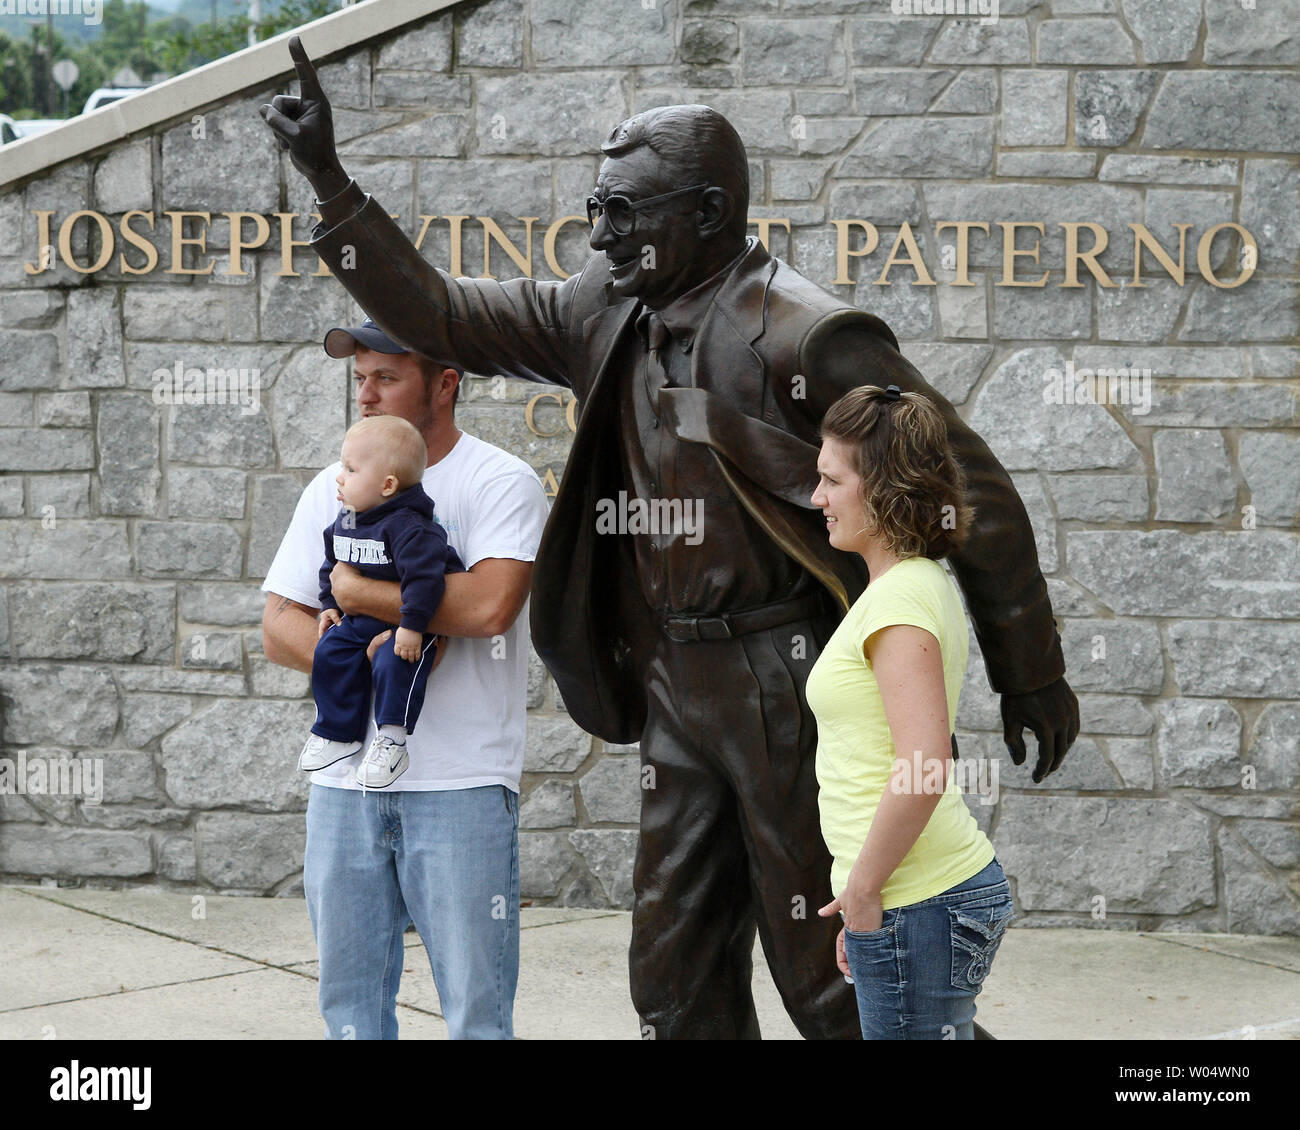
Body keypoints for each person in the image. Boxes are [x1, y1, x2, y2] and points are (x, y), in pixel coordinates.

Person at [261, 38, 1078, 1040]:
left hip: (786, 676)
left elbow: (974, 495)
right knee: (674, 979)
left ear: (704, 215)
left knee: (831, 973)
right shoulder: (602, 308)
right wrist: (330, 182)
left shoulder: (804, 335)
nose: (596, 236)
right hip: (674, 684)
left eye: (621, 214)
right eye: (595, 209)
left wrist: (1029, 672)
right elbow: (438, 311)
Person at [260, 316, 548, 1039]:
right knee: (351, 1010)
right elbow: (278, 627)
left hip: (460, 786)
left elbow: (488, 606)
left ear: (445, 384)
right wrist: (366, 652)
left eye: (386, 377)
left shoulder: (498, 479)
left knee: (476, 1014)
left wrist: (359, 600)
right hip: (343, 787)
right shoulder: (337, 484)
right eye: (360, 378)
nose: (365, 395)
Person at [810, 384, 1013, 1039]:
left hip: (919, 900)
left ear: (883, 490)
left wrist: (866, 892)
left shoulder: (901, 601)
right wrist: (861, 897)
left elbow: (924, 764)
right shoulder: (908, 586)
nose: (817, 498)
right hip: (913, 898)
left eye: (831, 480)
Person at [302, 413, 465, 789]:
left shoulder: (412, 528)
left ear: (388, 484)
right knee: (330, 651)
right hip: (362, 619)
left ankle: (393, 739)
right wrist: (330, 602)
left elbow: (426, 582)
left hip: (412, 620)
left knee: (396, 661)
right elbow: (334, 559)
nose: (339, 476)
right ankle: (338, 732)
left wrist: (411, 627)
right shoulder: (350, 518)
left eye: (351, 469)